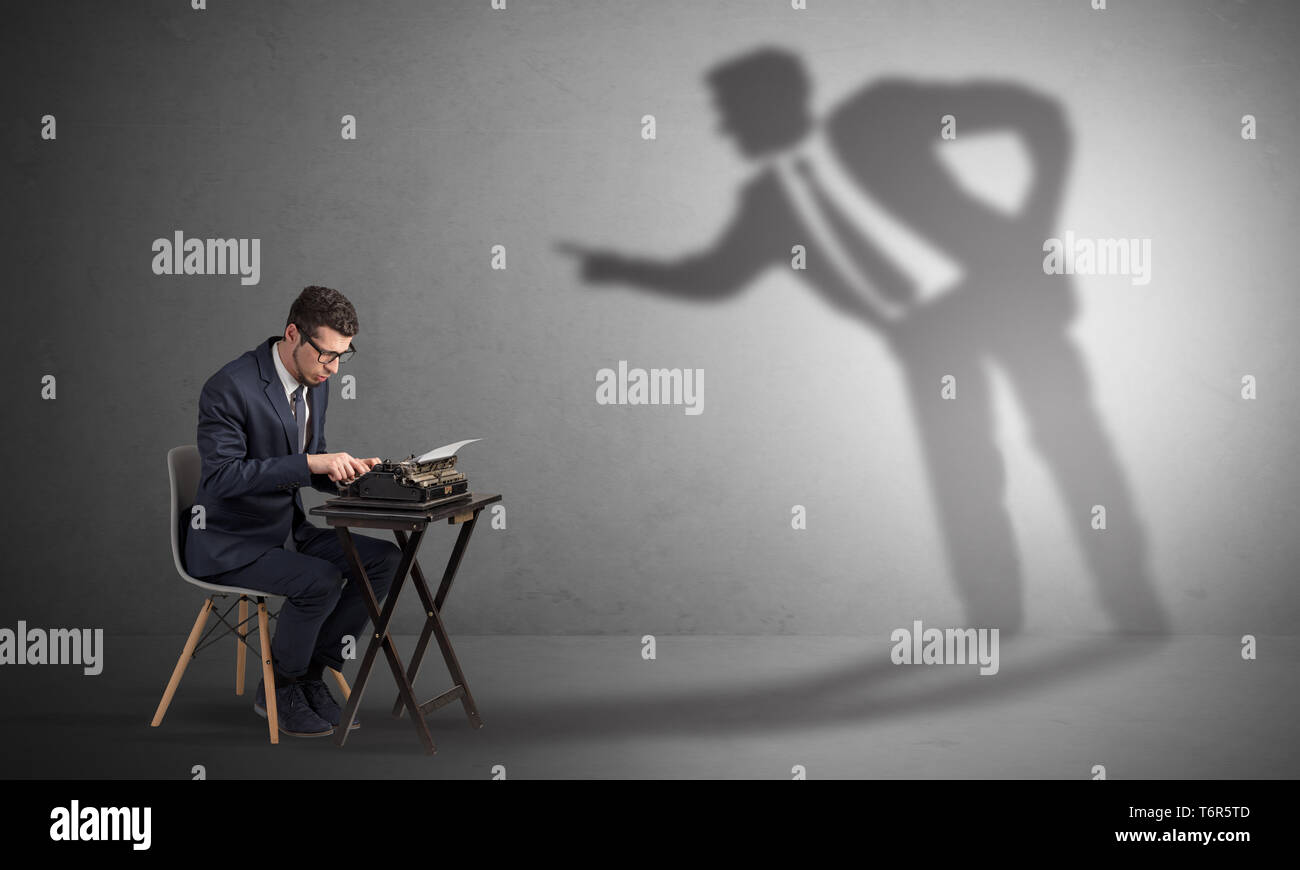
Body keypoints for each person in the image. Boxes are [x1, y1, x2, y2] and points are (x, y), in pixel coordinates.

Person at [559, 47, 1168, 634]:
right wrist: (615, 268)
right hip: (930, 342)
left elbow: (1036, 114)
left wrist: (1033, 229)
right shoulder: (766, 205)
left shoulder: (876, 115)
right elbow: (714, 279)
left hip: (1011, 303)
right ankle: (994, 617)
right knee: (963, 473)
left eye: (732, 110)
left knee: (1070, 442)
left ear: (778, 100)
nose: (724, 129)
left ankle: (1132, 599)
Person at [185, 285, 404, 736]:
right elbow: (222, 477)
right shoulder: (229, 387)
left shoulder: (314, 383)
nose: (334, 368)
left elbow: (306, 465)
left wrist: (346, 472)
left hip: (287, 531)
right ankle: (279, 689)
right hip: (229, 541)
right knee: (319, 580)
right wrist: (309, 463)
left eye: (344, 356)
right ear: (292, 334)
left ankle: (310, 674)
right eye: (326, 355)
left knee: (386, 561)